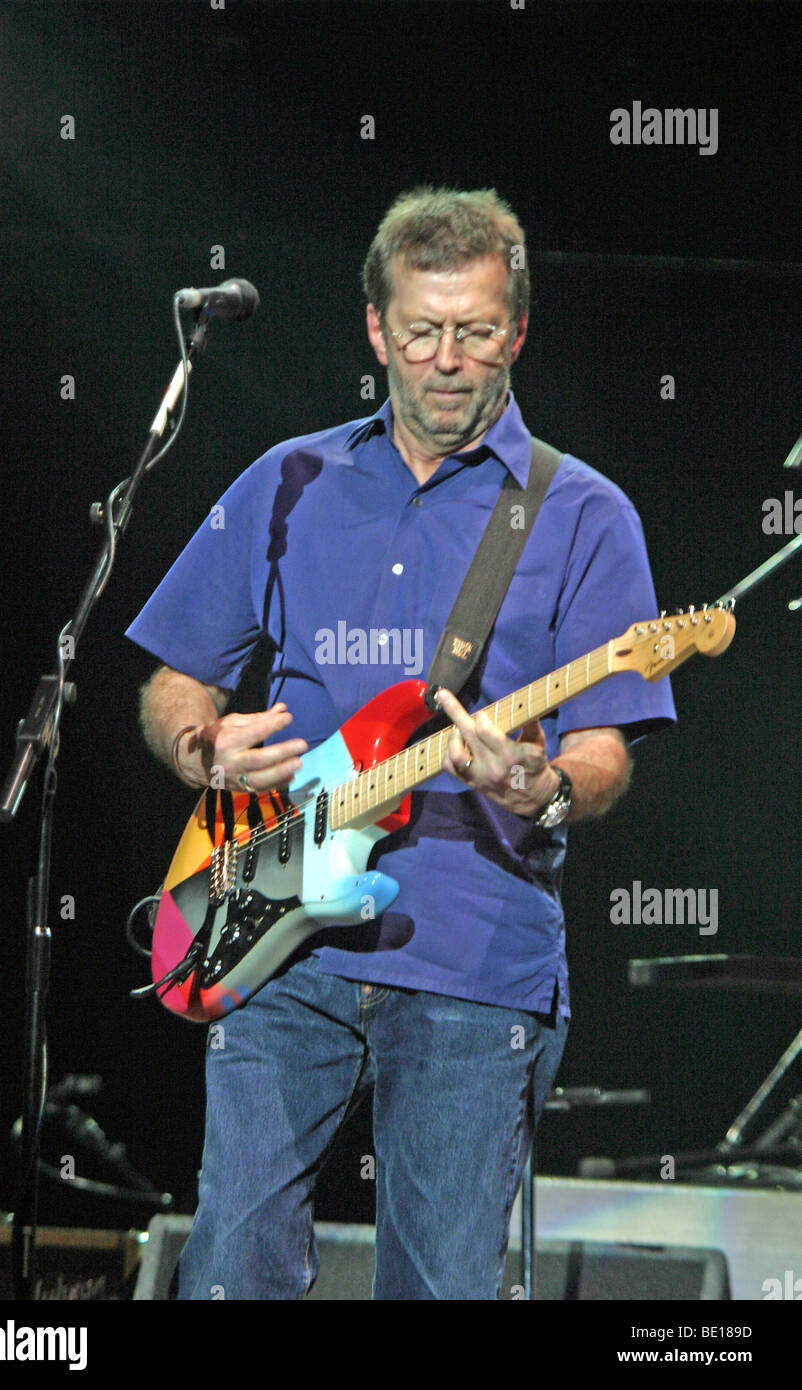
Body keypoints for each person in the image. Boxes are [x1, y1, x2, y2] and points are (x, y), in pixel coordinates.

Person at [126, 186, 676, 1300]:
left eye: (476, 331)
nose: (446, 361)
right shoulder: (288, 480)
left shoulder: (582, 513)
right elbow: (174, 679)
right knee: (228, 1267)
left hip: (474, 962)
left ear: (517, 331)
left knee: (439, 1287)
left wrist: (536, 783)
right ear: (376, 330)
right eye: (421, 332)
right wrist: (202, 746)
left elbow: (604, 755)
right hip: (274, 930)